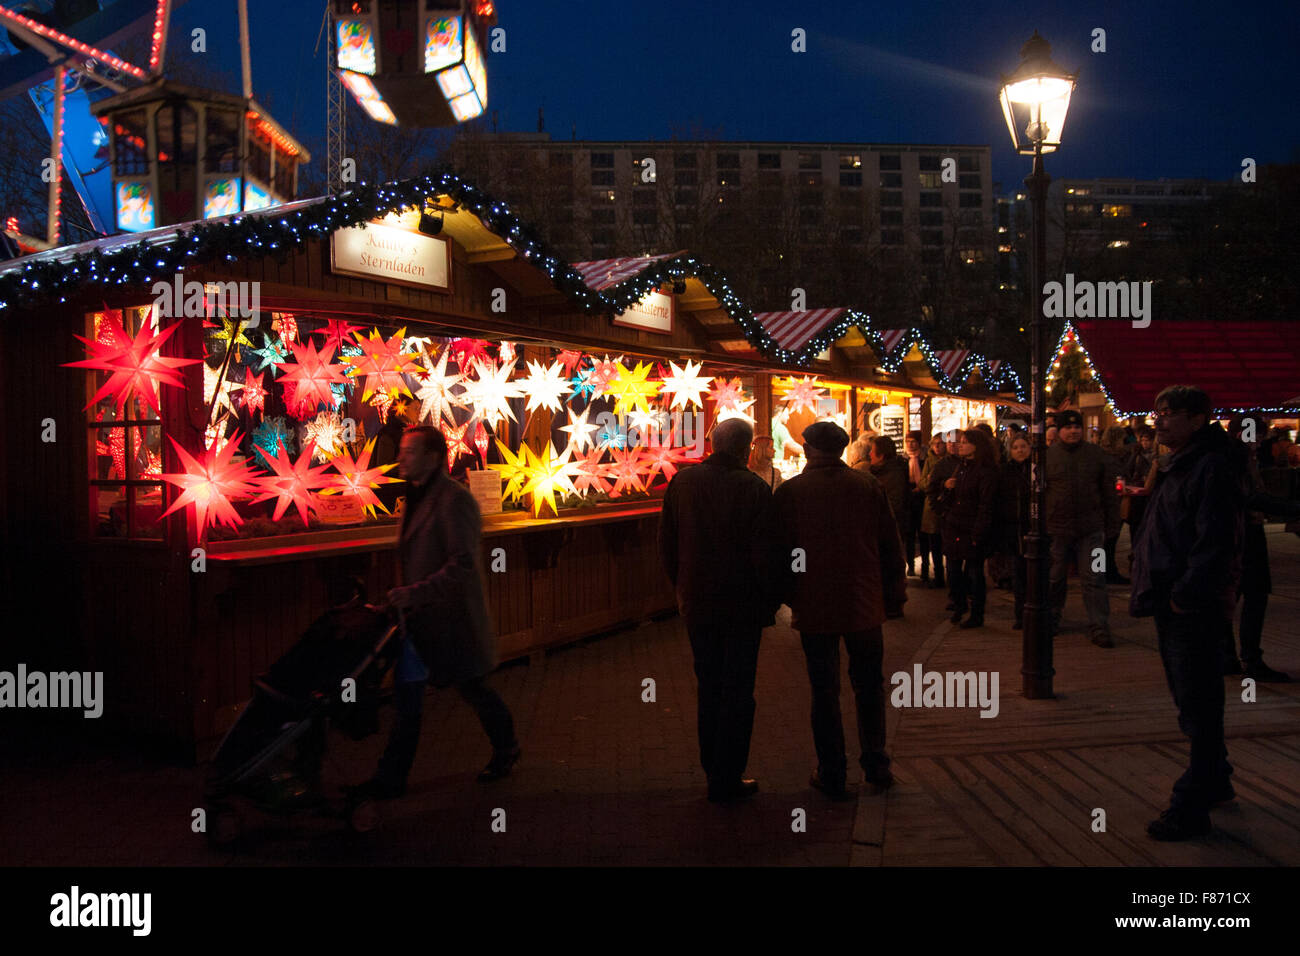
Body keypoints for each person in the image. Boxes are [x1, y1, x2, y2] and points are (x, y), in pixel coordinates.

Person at [365, 426, 519, 798]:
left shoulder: (454, 501)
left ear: (434, 458)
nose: (402, 458)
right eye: (402, 450)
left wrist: (415, 592)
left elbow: (462, 566)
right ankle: (391, 777)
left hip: (450, 620)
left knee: (474, 689)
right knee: (409, 701)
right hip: (419, 621)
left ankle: (507, 747)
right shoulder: (417, 496)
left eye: (411, 452)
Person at [770, 421, 906, 801]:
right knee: (869, 686)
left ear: (810, 449)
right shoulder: (867, 486)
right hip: (863, 602)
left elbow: (782, 552)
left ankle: (832, 771)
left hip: (815, 605)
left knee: (824, 690)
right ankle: (876, 764)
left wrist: (791, 591)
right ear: (843, 449)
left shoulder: (792, 492)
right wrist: (893, 593)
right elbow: (889, 544)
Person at [1130, 386, 1244, 841]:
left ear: (1197, 419)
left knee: (1197, 700)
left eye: (1169, 414)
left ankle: (1191, 803)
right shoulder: (1183, 461)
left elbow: (1213, 540)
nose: (1159, 421)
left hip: (1191, 605)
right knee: (1193, 697)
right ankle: (1214, 778)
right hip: (1173, 598)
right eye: (1156, 413)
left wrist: (1184, 594)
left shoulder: (1210, 466)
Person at [660, 417, 775, 803]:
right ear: (746, 451)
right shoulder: (755, 489)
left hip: (699, 602)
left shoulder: (683, 482)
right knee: (739, 689)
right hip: (742, 606)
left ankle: (713, 770)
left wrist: (680, 586)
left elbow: (668, 542)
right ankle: (730, 774)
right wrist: (769, 601)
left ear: (712, 442)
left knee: (709, 685)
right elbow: (766, 554)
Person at [1223, 414, 1300, 681]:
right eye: (1256, 437)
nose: (1258, 443)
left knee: (1237, 596)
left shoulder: (1234, 457)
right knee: (1253, 595)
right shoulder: (1236, 460)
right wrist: (1291, 509)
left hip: (1237, 534)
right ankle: (1249, 658)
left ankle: (1229, 656)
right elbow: (1252, 498)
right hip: (1245, 534)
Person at [1046, 409, 1120, 647]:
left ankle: (1100, 625)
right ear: (1059, 430)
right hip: (1058, 530)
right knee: (1055, 577)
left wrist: (1112, 524)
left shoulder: (1097, 455)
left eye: (1077, 427)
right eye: (1068, 427)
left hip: (1092, 530)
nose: (1073, 431)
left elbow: (1109, 492)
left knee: (1095, 577)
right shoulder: (1048, 456)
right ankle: (1052, 619)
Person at [939, 429, 1000, 628]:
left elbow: (986, 505)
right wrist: (947, 487)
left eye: (965, 442)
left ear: (976, 446)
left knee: (974, 572)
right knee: (954, 571)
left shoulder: (985, 471)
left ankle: (976, 613)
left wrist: (978, 532)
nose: (960, 445)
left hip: (972, 527)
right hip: (954, 526)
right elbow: (950, 499)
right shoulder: (961, 468)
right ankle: (959, 606)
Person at [997, 434, 1032, 629]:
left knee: (1036, 574)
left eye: (1023, 446)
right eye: (1016, 447)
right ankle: (1021, 614)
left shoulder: (1036, 470)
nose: (1020, 450)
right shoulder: (1005, 472)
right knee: (1019, 575)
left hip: (1032, 529)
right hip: (1014, 530)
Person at [927, 431, 963, 606]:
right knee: (952, 559)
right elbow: (931, 488)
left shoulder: (971, 464)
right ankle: (955, 596)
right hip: (949, 517)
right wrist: (940, 510)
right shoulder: (942, 465)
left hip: (967, 517)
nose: (952, 445)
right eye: (949, 442)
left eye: (956, 442)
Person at [1098, 425, 1133, 585]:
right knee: (1106, 542)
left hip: (1109, 504)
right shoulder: (1109, 459)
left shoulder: (1107, 456)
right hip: (1108, 505)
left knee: (1107, 543)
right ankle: (1103, 573)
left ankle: (1103, 572)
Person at [918, 433, 948, 588]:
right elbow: (922, 483)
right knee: (934, 543)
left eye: (940, 443)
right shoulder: (930, 461)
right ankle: (938, 574)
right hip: (931, 506)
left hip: (946, 506)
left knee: (946, 543)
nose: (937, 446)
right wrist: (929, 481)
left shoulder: (950, 462)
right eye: (934, 443)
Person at [869, 437, 910, 546]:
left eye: (872, 451)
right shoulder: (878, 471)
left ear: (881, 456)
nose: (870, 454)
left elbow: (893, 504)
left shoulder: (893, 475)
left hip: (889, 528)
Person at [903, 431, 927, 576]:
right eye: (908, 441)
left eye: (913, 441)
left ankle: (925, 566)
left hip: (923, 498)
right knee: (909, 536)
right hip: (909, 500)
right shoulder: (903, 460)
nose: (910, 444)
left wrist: (922, 487)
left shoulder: (925, 458)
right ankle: (911, 565)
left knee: (924, 535)